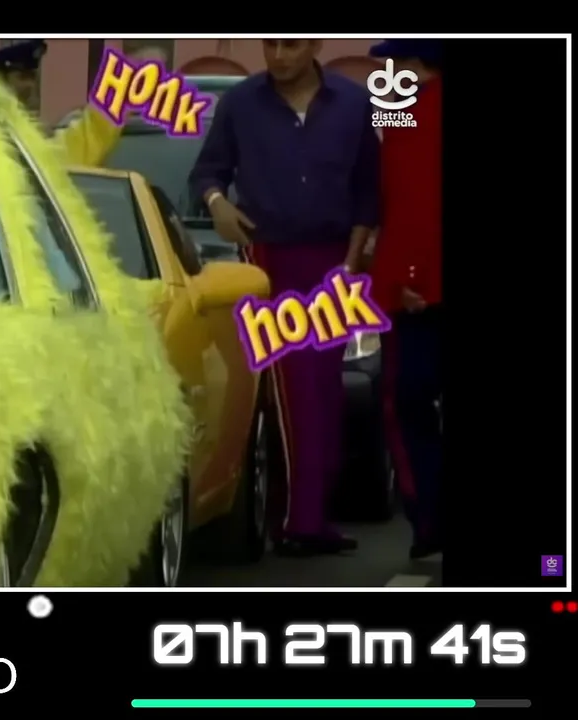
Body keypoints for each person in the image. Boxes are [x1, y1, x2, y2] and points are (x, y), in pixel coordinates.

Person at [189, 39, 381, 557]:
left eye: (290, 44)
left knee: (323, 392)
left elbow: (369, 191)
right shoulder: (240, 103)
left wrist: (355, 257)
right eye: (269, 43)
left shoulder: (354, 104)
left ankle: (311, 518)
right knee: (284, 391)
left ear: (314, 44)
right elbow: (206, 172)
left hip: (334, 263)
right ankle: (293, 523)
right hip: (266, 262)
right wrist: (217, 204)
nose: (277, 55)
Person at [367, 39, 443, 560]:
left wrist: (410, 276)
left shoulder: (411, 112)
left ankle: (431, 520)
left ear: (418, 64)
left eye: (396, 62)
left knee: (409, 405)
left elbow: (414, 196)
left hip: (423, 295)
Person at [0, 40, 168, 167]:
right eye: (22, 77)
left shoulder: (16, 134)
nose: (31, 86)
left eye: (33, 77)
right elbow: (63, 159)